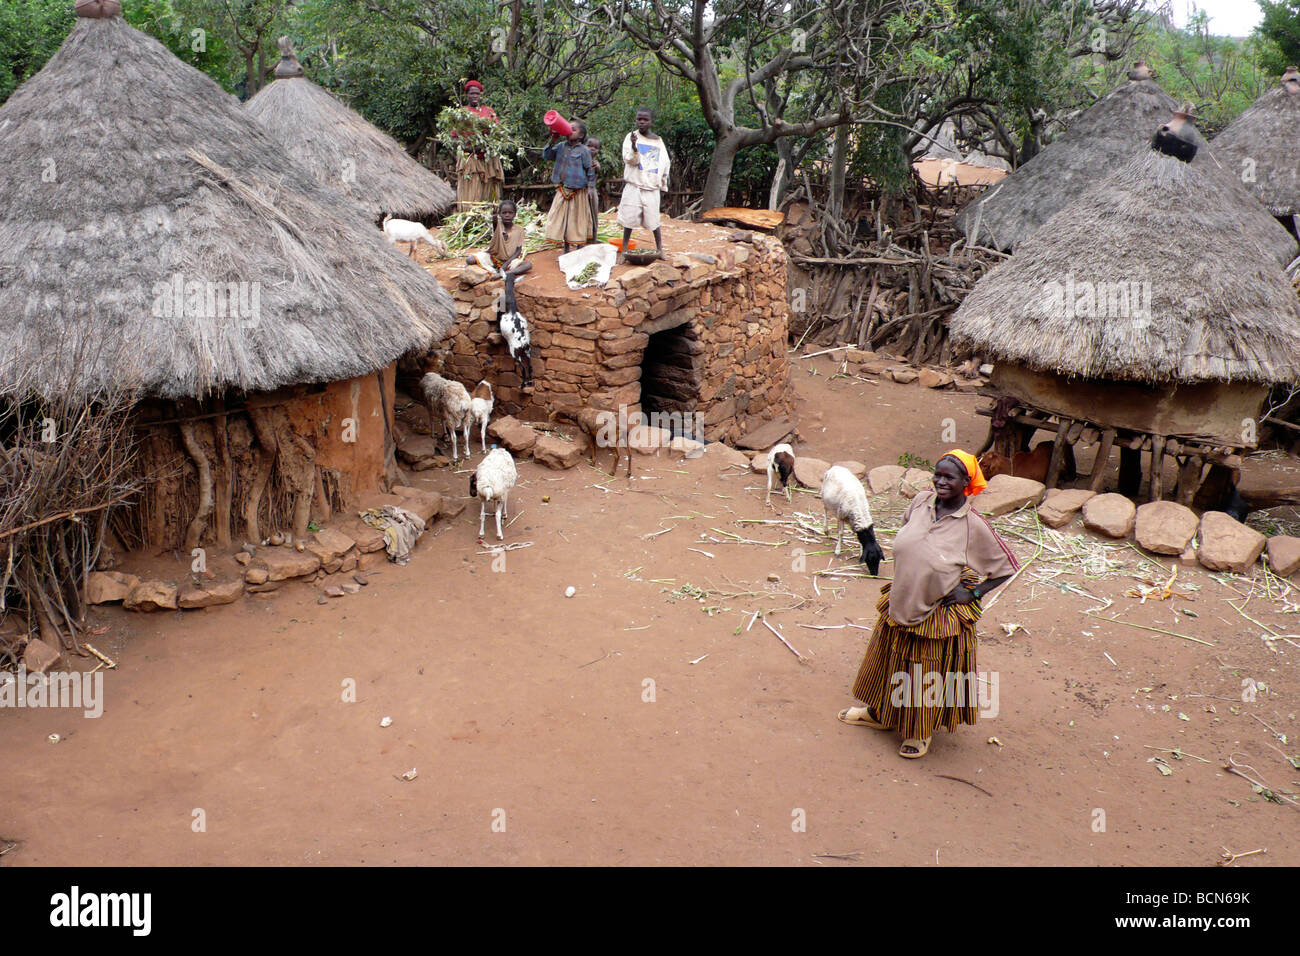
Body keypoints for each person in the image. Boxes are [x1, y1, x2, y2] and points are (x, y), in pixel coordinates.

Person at [838, 450, 1018, 759]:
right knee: (890, 658)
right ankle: (880, 713)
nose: (940, 481)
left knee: (925, 673)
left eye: (949, 477)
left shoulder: (973, 526)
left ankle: (919, 732)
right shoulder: (920, 502)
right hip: (903, 597)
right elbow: (910, 537)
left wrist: (972, 594)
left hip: (937, 612)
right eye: (937, 474)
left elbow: (1007, 567)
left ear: (967, 482)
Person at [617, 108, 671, 262]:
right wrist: (635, 147)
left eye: (645, 119)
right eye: (639, 119)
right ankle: (625, 251)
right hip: (634, 185)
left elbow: (665, 163)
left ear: (651, 121)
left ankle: (659, 249)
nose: (641, 122)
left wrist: (662, 183)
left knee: (654, 221)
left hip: (651, 187)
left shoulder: (658, 141)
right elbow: (630, 160)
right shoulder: (631, 137)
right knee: (629, 220)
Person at [542, 119, 595, 254]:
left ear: (581, 136)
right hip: (563, 188)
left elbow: (590, 169)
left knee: (577, 220)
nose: (569, 131)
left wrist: (590, 187)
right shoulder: (560, 146)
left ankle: (579, 249)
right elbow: (547, 155)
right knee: (561, 218)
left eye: (573, 129)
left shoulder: (584, 151)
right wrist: (552, 139)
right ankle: (566, 249)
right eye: (568, 128)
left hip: (578, 191)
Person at [453, 80, 505, 211]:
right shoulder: (462, 112)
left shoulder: (488, 111)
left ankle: (490, 216)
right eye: (472, 93)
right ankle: (470, 216)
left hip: (488, 157)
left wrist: (491, 142)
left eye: (477, 93)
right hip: (470, 157)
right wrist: (467, 145)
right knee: (471, 190)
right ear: (467, 95)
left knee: (489, 189)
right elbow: (454, 136)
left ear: (481, 95)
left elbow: (497, 131)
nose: (475, 96)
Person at [467, 200, 533, 278]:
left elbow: (518, 251)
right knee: (470, 259)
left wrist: (506, 264)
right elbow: (495, 224)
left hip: (510, 260)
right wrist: (494, 217)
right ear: (500, 214)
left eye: (510, 213)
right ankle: (499, 271)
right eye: (504, 213)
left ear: (515, 214)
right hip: (494, 258)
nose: (507, 215)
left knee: (528, 265)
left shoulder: (519, 230)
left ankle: (502, 274)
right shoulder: (499, 226)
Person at [585, 136, 603, 245]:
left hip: (591, 192)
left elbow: (598, 168)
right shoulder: (579, 159)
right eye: (589, 146)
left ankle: (593, 239)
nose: (592, 149)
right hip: (579, 192)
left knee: (593, 216)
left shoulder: (595, 163)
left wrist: (596, 167)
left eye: (595, 148)